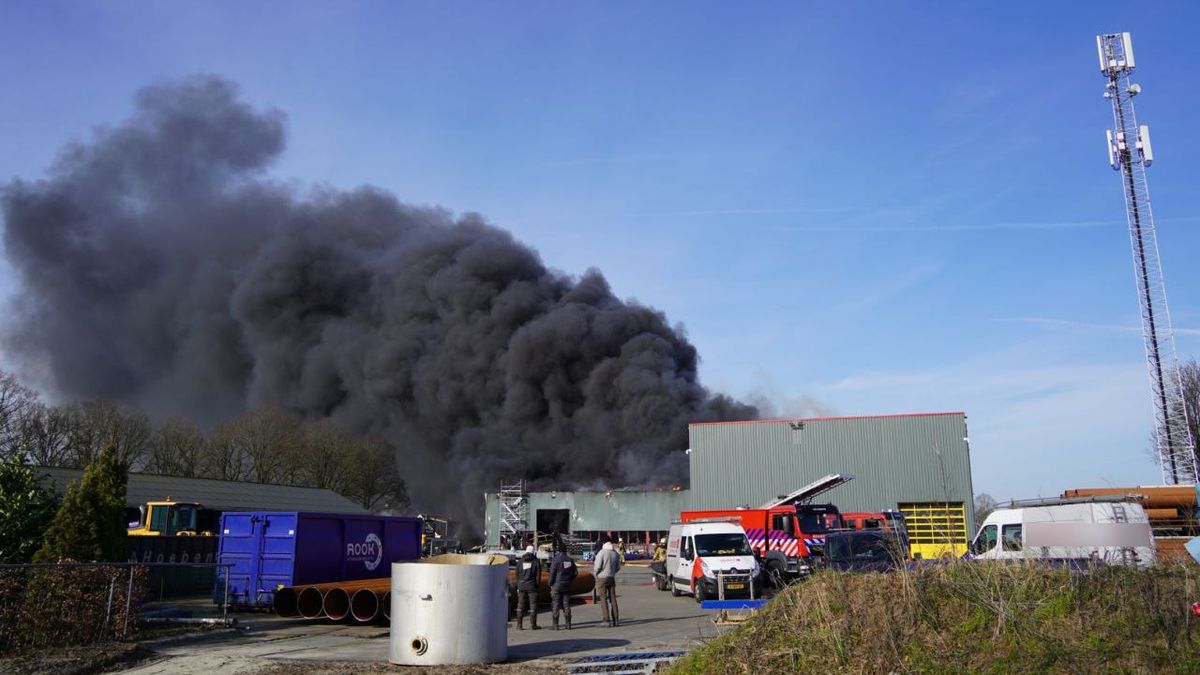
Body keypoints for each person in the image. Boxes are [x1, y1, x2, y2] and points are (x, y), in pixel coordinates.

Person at [548, 544, 579, 630]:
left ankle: (555, 625)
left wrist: (550, 583)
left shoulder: (556, 559)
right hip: (567, 585)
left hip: (557, 585)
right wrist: (570, 580)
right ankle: (568, 624)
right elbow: (576, 573)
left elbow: (552, 573)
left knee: (556, 604)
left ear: (558, 550)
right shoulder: (570, 560)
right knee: (566, 604)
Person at [593, 541, 622, 627]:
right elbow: (618, 567)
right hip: (611, 578)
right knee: (613, 598)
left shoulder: (601, 553)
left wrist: (596, 574)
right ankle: (616, 619)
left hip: (602, 578)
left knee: (603, 599)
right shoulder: (615, 553)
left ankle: (606, 620)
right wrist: (612, 573)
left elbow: (597, 566)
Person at [515, 545, 542, 630]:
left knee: (520, 605)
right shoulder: (536, 562)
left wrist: (518, 585)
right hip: (532, 586)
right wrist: (537, 586)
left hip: (521, 586)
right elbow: (538, 576)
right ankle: (533, 625)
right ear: (533, 552)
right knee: (533, 605)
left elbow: (517, 574)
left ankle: (519, 625)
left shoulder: (520, 562)